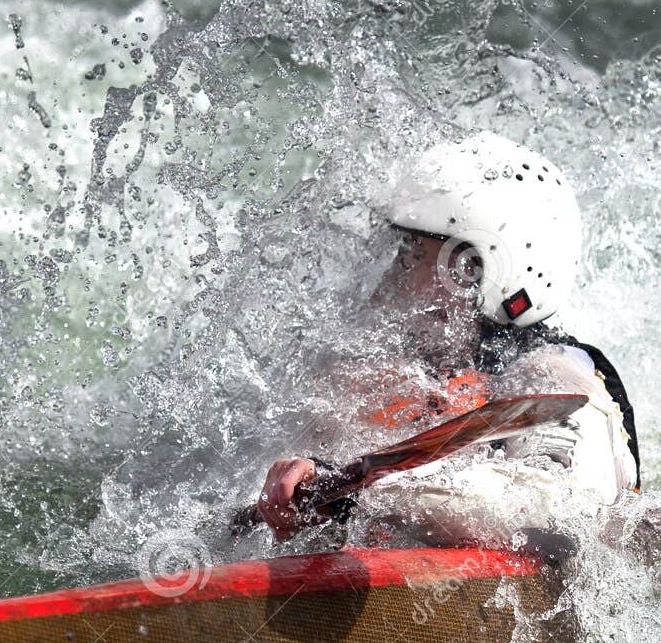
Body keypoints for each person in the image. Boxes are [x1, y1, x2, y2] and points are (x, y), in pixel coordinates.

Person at [255, 130, 640, 547]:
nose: (387, 281)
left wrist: (355, 496)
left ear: (473, 271)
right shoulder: (403, 379)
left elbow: (555, 508)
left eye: (410, 257)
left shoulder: (555, 372)